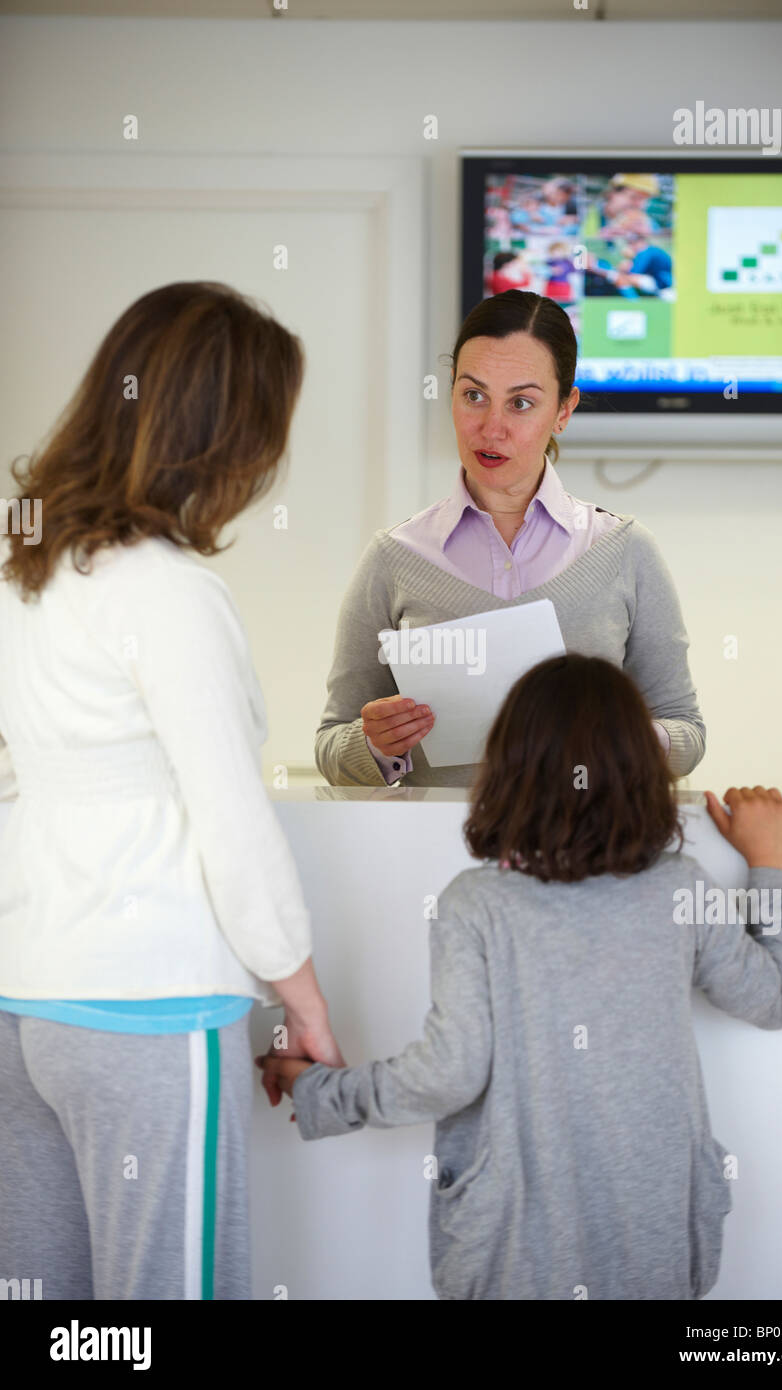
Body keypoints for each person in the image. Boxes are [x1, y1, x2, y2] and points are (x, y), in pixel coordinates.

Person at [261, 653, 782, 1301]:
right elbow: (774, 996)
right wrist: (769, 861)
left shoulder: (477, 904)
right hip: (657, 1247)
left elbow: (448, 1074)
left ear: (508, 769)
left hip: (512, 1255)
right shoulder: (678, 890)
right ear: (641, 770)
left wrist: (322, 1091)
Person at [0, 281, 344, 1301]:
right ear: (223, 441)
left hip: (28, 1004)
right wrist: (304, 1003)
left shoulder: (27, 576)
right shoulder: (172, 592)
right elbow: (231, 823)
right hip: (147, 1008)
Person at [315, 289, 705, 788]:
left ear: (564, 409)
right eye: (473, 395)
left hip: (584, 857)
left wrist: (626, 736)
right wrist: (374, 745)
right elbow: (331, 747)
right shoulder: (394, 558)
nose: (491, 428)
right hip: (438, 858)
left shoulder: (625, 551)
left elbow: (687, 736)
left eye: (521, 403)